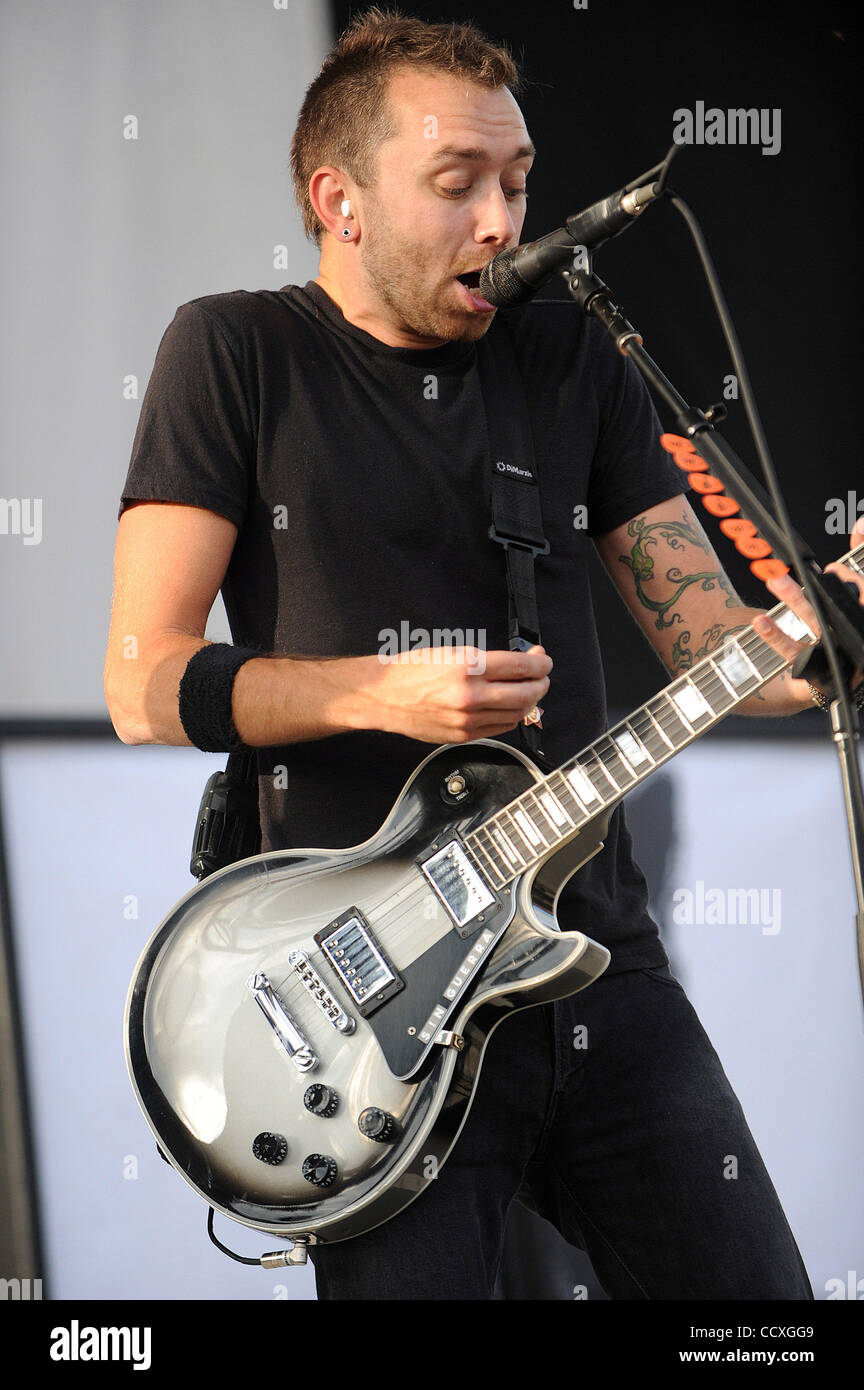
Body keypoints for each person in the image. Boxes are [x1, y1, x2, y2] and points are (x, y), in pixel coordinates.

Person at [104, 7, 863, 1300]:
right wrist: (378, 691)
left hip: (594, 962)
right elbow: (143, 680)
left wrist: (832, 620)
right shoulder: (234, 353)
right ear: (336, 198)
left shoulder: (572, 356)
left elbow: (721, 648)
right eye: (456, 185)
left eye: (517, 182)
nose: (504, 222)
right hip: (370, 1012)